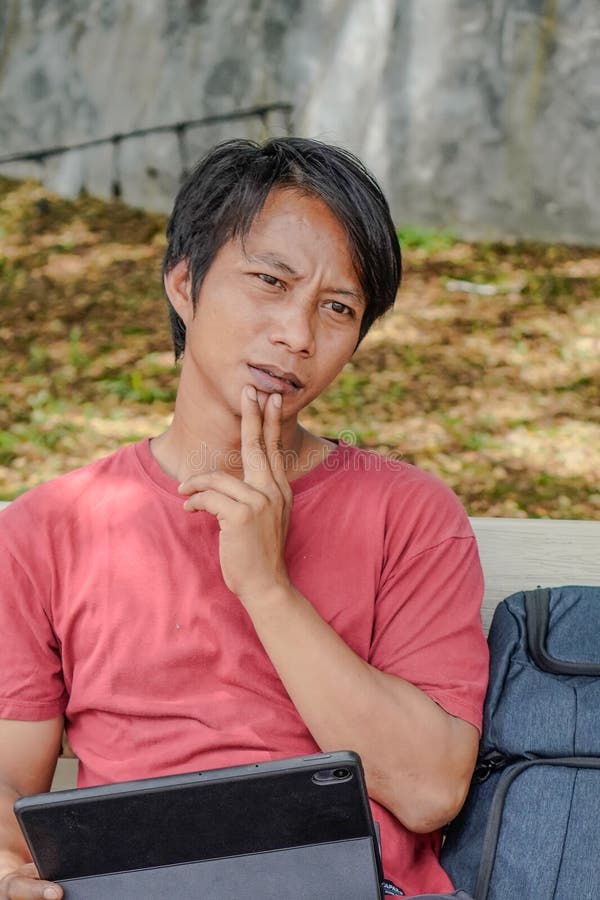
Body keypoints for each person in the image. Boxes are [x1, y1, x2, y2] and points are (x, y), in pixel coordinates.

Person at [0, 137, 488, 898]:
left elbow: (429, 789)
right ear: (185, 285)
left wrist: (267, 587)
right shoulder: (48, 529)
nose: (297, 335)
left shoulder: (411, 515)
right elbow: (9, 778)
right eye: (270, 281)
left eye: (337, 308)